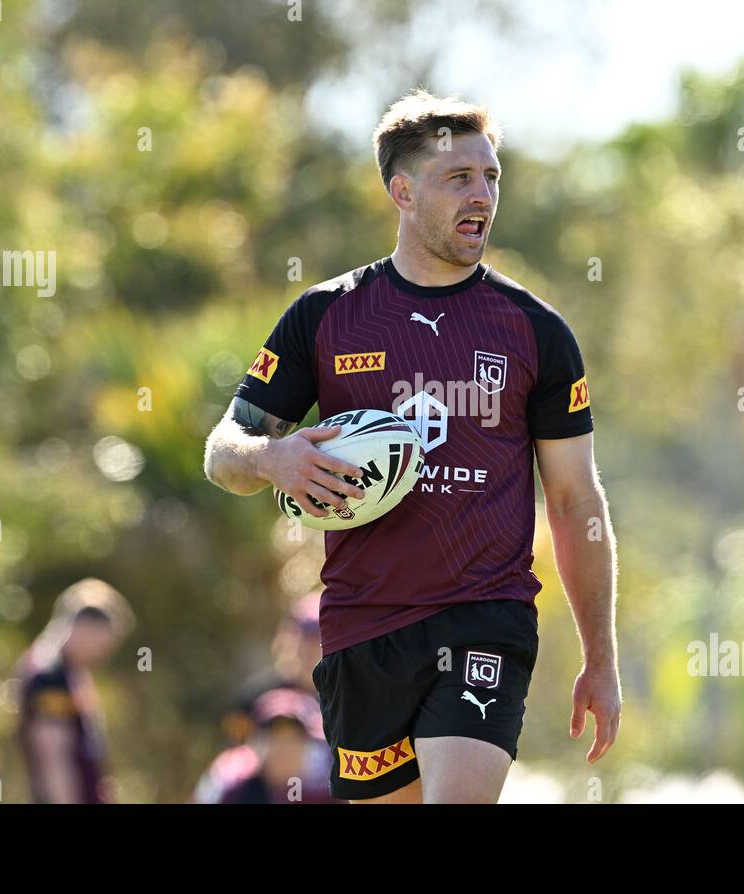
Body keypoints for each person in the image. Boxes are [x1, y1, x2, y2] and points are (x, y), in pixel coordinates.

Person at [204, 90, 621, 804]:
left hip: (486, 616)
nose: (483, 194)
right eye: (459, 177)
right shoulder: (325, 316)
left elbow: (575, 498)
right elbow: (223, 449)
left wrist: (601, 656)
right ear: (402, 190)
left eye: (491, 177)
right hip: (363, 628)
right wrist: (272, 458)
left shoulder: (535, 331)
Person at [16, 578, 134, 803]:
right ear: (85, 630)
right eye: (104, 645)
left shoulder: (69, 674)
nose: (103, 655)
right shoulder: (50, 676)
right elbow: (54, 761)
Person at [192, 688, 339, 804]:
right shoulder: (233, 783)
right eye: (275, 737)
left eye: (292, 739)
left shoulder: (327, 790)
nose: (284, 749)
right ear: (257, 742)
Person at [222, 592, 323, 746]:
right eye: (307, 637)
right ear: (290, 635)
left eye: (320, 639)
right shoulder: (253, 698)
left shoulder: (343, 696)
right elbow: (235, 753)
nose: (313, 647)